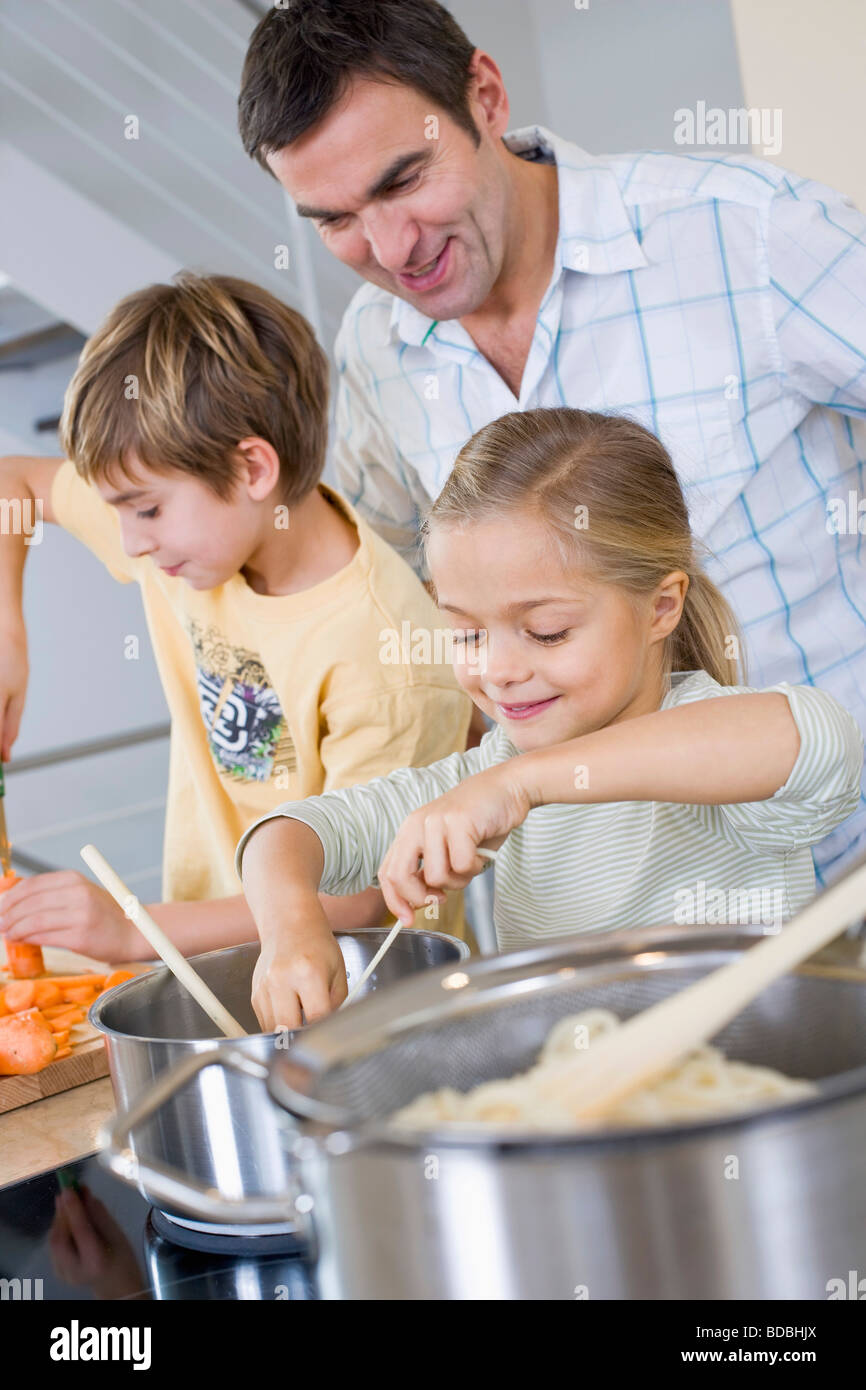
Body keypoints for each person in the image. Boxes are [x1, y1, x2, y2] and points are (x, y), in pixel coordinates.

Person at [238, 0, 866, 881]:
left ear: (485, 98)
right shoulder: (378, 348)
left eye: (403, 180)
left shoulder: (745, 233)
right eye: (334, 220)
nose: (391, 249)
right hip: (597, 901)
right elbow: (391, 588)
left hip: (839, 863)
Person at [236, 408, 863, 1030]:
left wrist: (522, 785)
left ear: (661, 607)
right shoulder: (488, 774)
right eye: (468, 633)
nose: (499, 669)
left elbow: (815, 740)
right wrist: (292, 924)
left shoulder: (708, 750)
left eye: (546, 632)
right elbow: (290, 833)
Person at [0, 273, 471, 964]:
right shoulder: (192, 540)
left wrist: (135, 929)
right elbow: (13, 481)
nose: (130, 542)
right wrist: (10, 633)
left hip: (359, 995)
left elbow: (358, 901)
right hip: (213, 974)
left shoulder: (389, 653)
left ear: (252, 469)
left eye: (147, 510)